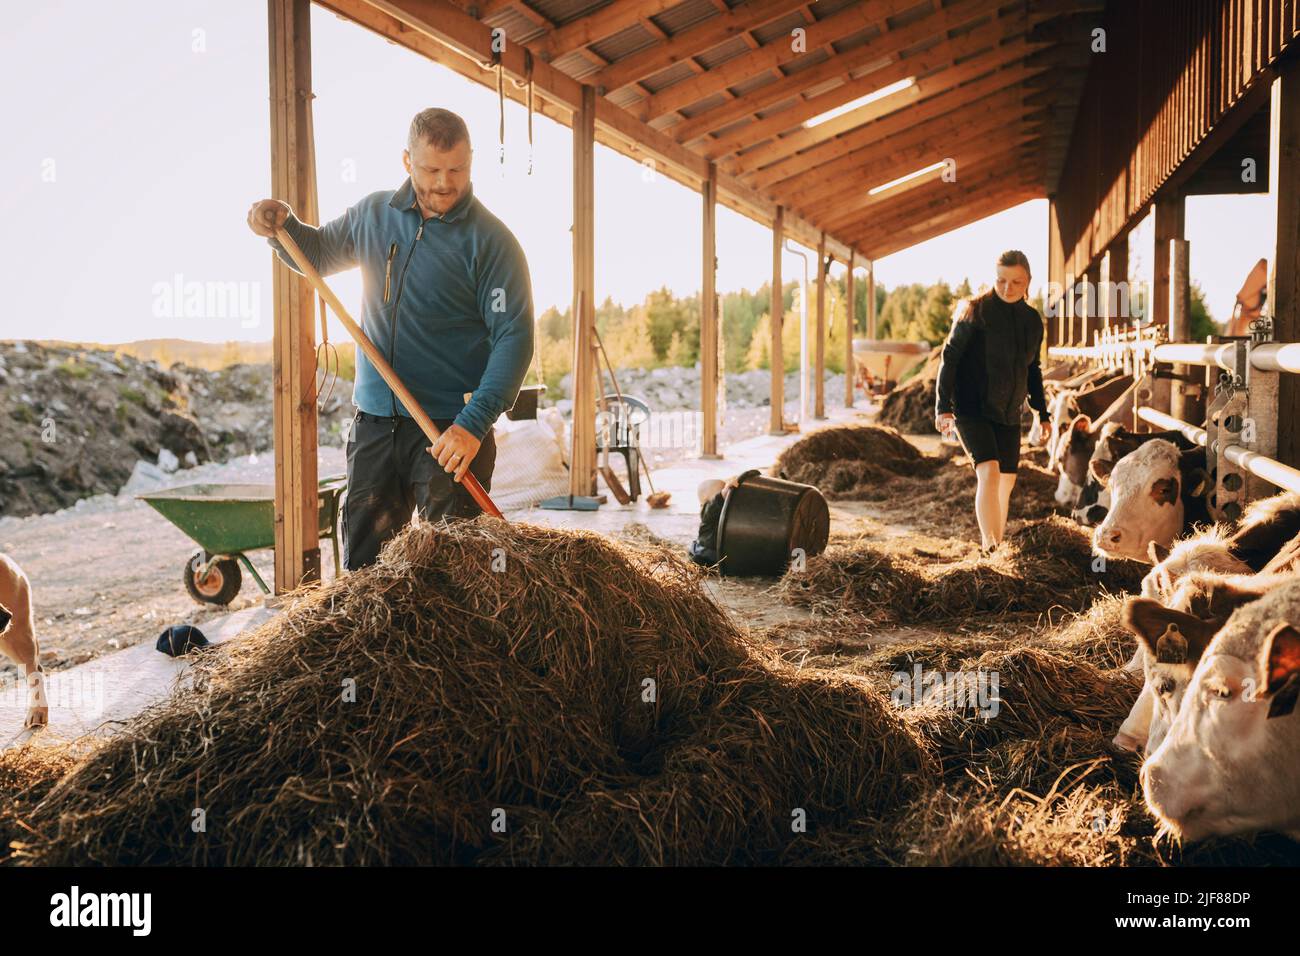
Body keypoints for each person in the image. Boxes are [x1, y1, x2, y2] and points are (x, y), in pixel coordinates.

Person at [246, 108, 534, 570]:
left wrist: (473, 423)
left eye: (457, 169)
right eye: (431, 169)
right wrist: (283, 229)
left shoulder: (491, 242)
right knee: (366, 569)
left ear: (472, 162)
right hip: (375, 427)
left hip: (448, 431)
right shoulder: (373, 215)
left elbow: (514, 338)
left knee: (455, 575)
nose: (445, 182)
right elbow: (316, 253)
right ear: (407, 161)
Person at [934, 250, 1049, 553]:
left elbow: (1032, 369)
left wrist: (1042, 413)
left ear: (1028, 282)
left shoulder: (1032, 321)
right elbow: (950, 358)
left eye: (1016, 282)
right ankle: (991, 546)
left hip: (1008, 412)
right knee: (989, 472)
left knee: (1007, 482)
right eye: (1001, 280)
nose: (1007, 288)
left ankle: (996, 552)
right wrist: (942, 406)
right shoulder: (975, 311)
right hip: (971, 407)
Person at [689, 470, 760, 566]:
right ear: (707, 500)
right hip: (706, 551)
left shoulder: (726, 510)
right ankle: (699, 563)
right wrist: (724, 492)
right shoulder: (708, 510)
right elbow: (716, 503)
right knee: (700, 559)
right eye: (721, 492)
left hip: (721, 551)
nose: (727, 497)